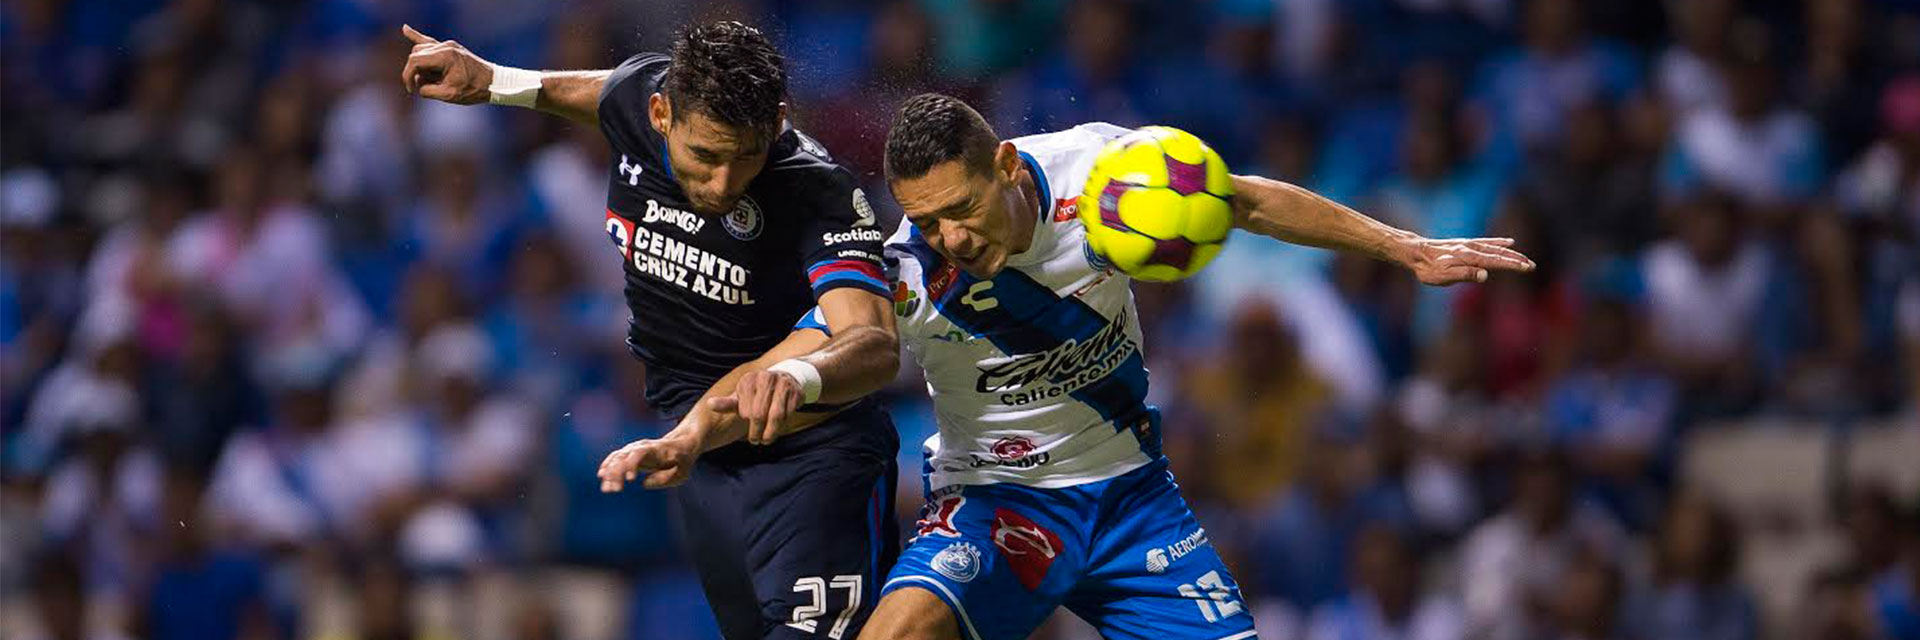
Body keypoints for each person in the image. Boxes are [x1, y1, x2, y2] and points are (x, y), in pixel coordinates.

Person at [606, 93, 1532, 639]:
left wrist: (1404, 246)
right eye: (926, 219)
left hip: (1135, 500)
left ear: (1007, 166)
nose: (949, 236)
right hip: (997, 505)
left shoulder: (1105, 176)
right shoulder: (905, 272)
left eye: (962, 209)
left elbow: (1244, 200)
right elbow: (804, 354)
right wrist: (693, 431)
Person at [400, 21, 902, 638]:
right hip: (698, 449)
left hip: (813, 459)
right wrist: (496, 82)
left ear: (776, 122)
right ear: (662, 114)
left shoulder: (815, 189)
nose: (724, 183)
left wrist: (798, 374)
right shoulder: (639, 97)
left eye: (746, 156)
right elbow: (603, 94)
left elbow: (873, 343)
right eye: (706, 156)